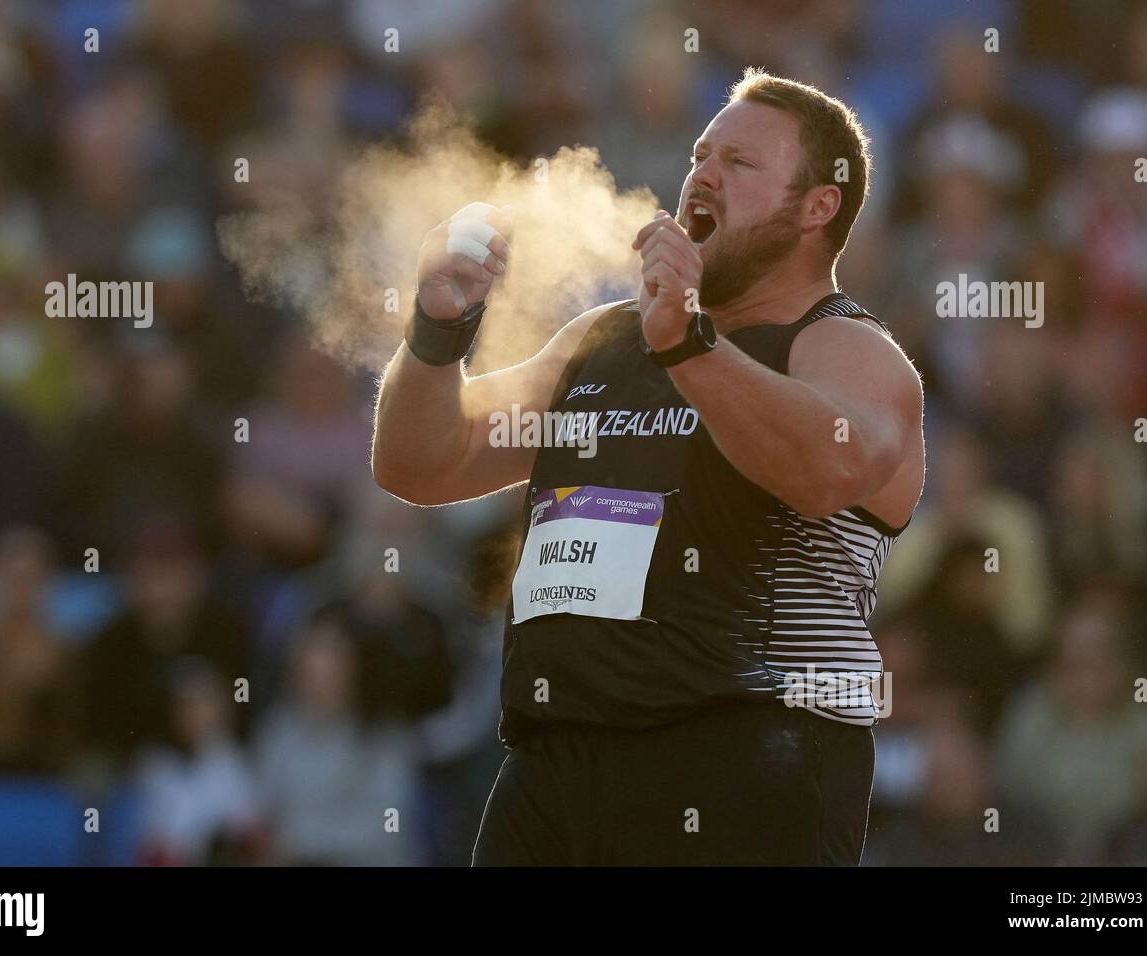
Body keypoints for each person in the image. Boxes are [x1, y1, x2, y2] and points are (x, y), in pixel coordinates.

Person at [373, 68, 925, 865]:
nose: (703, 172)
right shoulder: (605, 338)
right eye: (702, 153)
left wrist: (689, 345)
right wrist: (434, 336)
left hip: (744, 752)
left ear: (817, 206)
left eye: (740, 163)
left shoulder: (846, 347)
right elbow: (423, 464)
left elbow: (825, 472)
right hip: (552, 760)